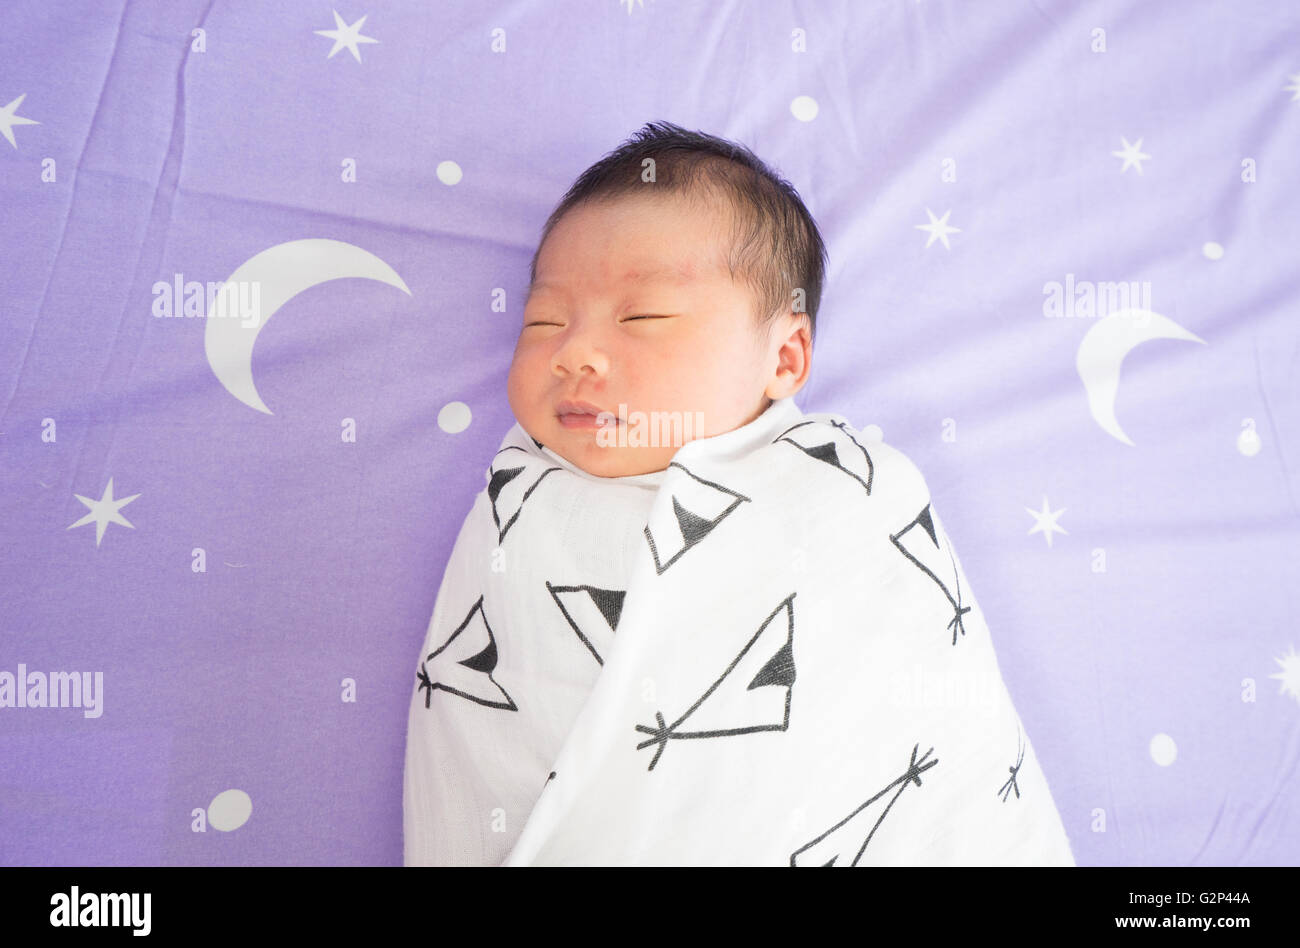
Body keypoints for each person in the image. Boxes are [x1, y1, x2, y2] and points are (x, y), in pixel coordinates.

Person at [404, 121, 1075, 866]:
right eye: (544, 321)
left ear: (784, 357)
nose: (573, 353)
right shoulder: (519, 493)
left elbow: (905, 701)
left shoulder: (844, 489)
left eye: (643, 316)